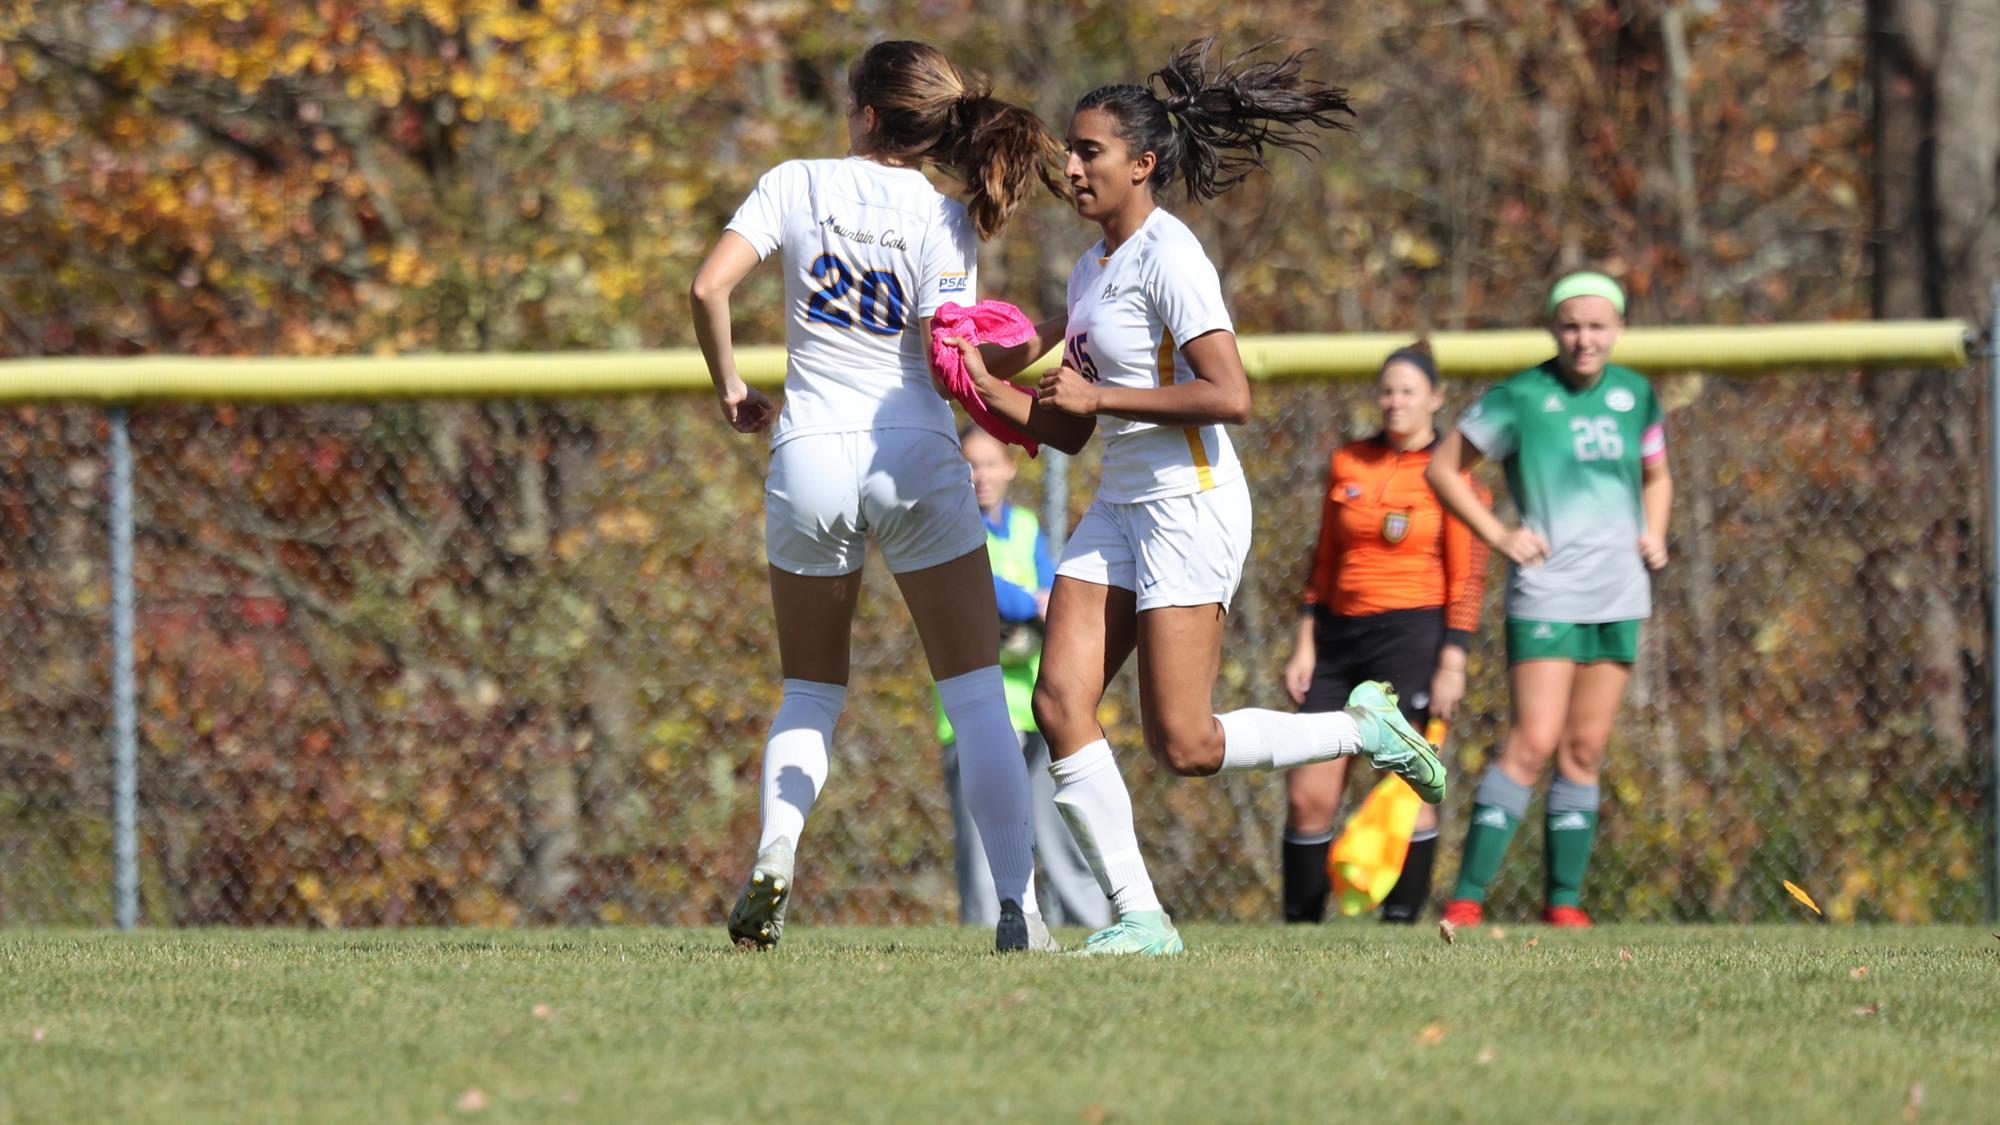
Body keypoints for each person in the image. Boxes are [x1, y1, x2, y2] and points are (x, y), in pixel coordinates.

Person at [944, 38, 1446, 956]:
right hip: (1122, 503)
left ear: (1142, 164)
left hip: (1191, 504)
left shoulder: (1171, 256)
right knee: (1059, 703)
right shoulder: (1092, 268)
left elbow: (1231, 394)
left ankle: (1359, 726)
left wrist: (1097, 394)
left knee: (1186, 742)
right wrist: (982, 386)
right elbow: (1065, 429)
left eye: (1089, 150)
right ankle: (1142, 918)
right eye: (1069, 147)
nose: (1071, 164)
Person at [687, 40, 1065, 952]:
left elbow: (708, 286)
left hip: (812, 450)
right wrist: (1054, 333)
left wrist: (732, 387)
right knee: (977, 693)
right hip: (918, 452)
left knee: (811, 691)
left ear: (862, 112)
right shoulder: (946, 219)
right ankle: (1019, 909)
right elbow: (957, 362)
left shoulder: (794, 182)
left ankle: (777, 854)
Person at [1426, 271, 1672, 928]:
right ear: (1553, 328)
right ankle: (1466, 898)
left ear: (1618, 328)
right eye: (1571, 325)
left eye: (1597, 326)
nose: (1584, 338)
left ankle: (1563, 902)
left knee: (1585, 749)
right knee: (1532, 741)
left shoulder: (1637, 394)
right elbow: (1443, 468)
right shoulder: (1520, 396)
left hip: (1620, 592)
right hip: (1548, 592)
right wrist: (1499, 533)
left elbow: (1657, 474)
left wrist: (1655, 531)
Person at [1280, 342, 1490, 925]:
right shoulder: (1348, 459)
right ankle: (1299, 927)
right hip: (1338, 640)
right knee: (1309, 793)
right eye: (1387, 390)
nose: (1395, 402)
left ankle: (1400, 924)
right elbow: (1322, 561)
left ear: (1436, 399)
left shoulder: (1453, 472)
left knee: (1409, 785)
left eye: (1409, 391)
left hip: (1413, 635)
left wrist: (1454, 658)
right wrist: (1305, 639)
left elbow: (1467, 574)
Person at [937, 427, 1113, 931]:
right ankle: (991, 926)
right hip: (976, 706)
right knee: (984, 829)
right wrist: (1025, 601)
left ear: (1011, 468)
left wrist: (1032, 601)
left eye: (990, 464)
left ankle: (1093, 923)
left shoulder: (1026, 526)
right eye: (970, 465)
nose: (981, 476)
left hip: (1034, 700)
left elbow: (1050, 586)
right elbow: (996, 593)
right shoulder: (954, 530)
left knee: (1057, 820)